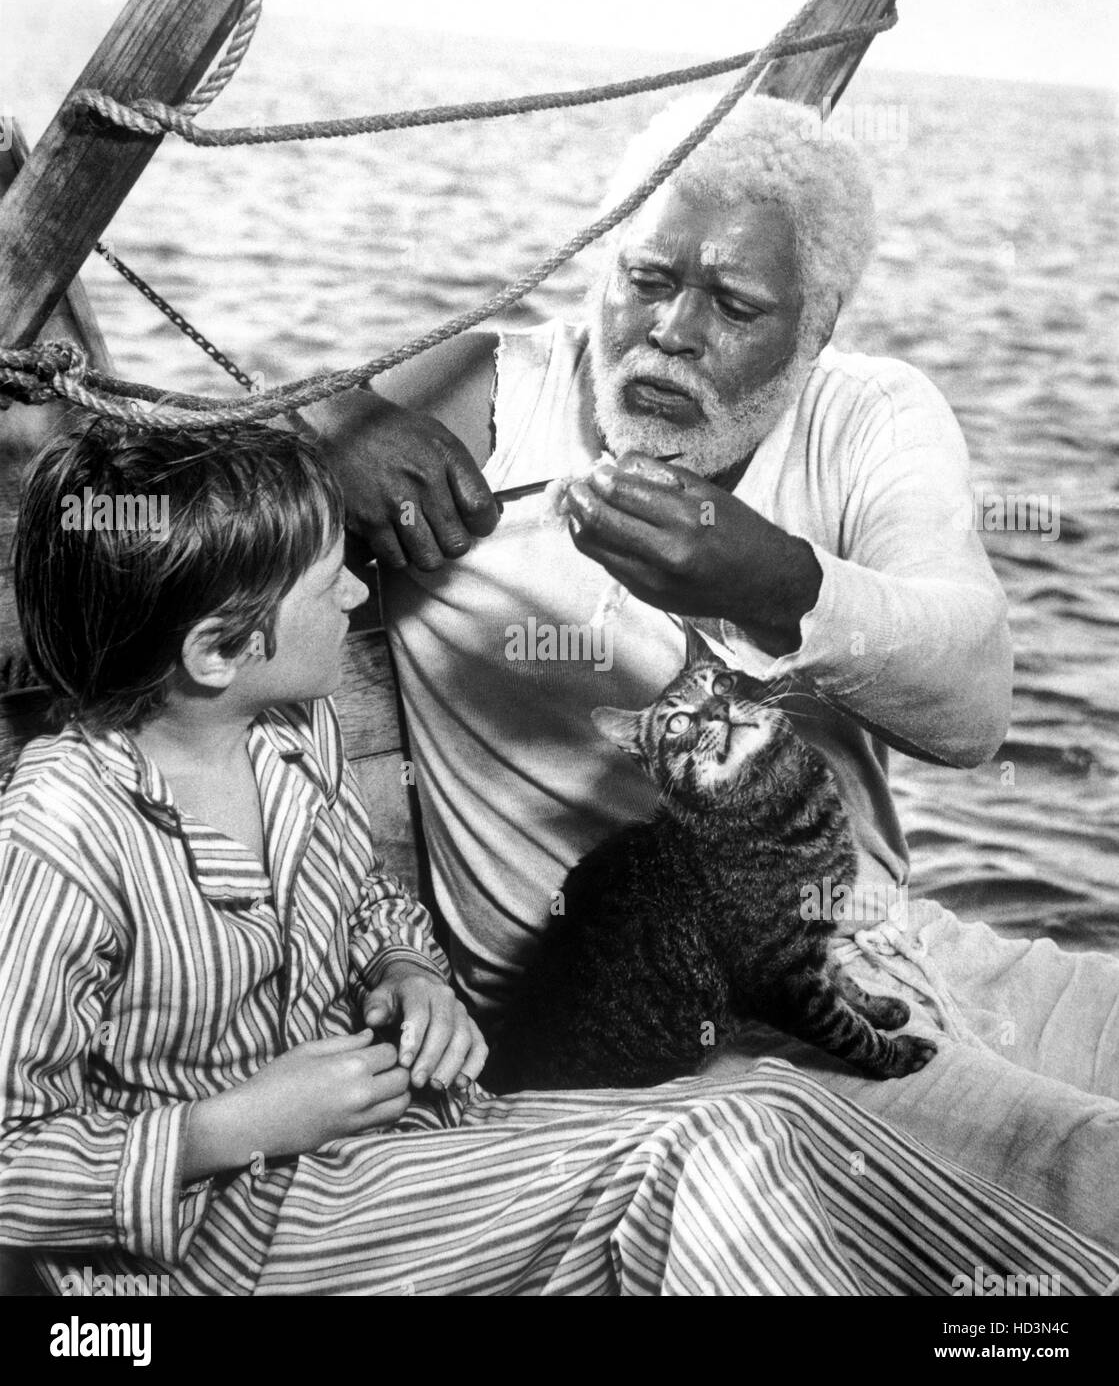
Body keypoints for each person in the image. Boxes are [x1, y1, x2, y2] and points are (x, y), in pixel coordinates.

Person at [8, 420, 1110, 1297]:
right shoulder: (64, 838)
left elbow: (367, 903)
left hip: (397, 1154)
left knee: (777, 1107)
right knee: (700, 1165)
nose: (358, 590)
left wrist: (409, 974)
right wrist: (226, 1128)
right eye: (326, 581)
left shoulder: (290, 739)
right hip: (229, 1243)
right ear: (217, 650)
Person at [309, 93, 1119, 1251]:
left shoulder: (870, 415)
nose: (670, 332)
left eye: (734, 306)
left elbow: (975, 704)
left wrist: (778, 586)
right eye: (645, 278)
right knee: (1093, 1166)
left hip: (893, 946)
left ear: (816, 327)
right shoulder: (503, 395)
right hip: (689, 1038)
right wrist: (326, 416)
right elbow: (215, 476)